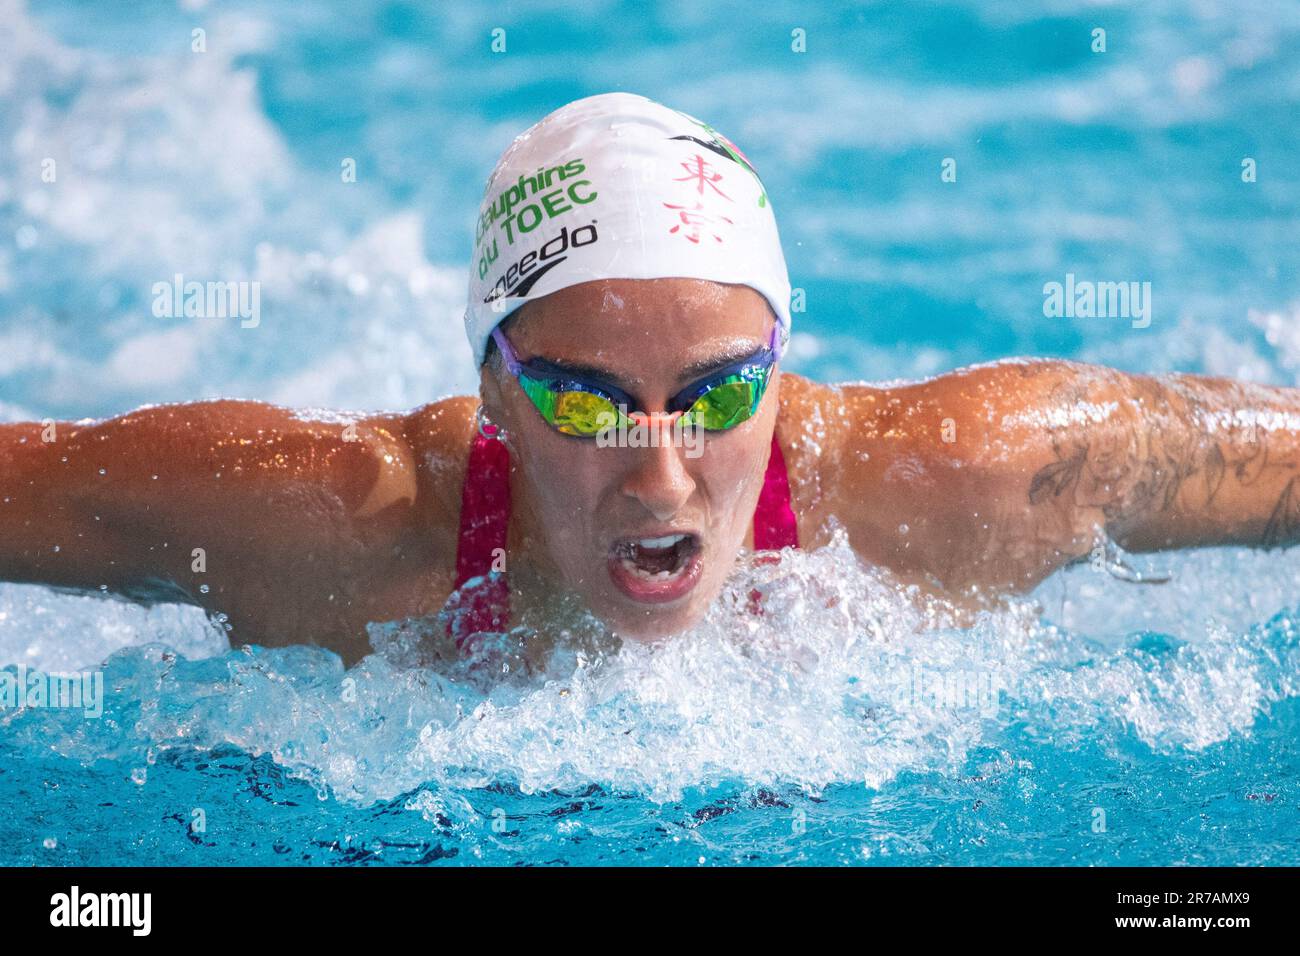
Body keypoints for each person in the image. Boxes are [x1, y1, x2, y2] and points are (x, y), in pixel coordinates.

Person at [3, 92, 1299, 667]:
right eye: (584, 402)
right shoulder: (326, 522)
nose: (663, 475)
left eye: (722, 392)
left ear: (786, 371)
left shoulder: (963, 478)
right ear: (498, 393)